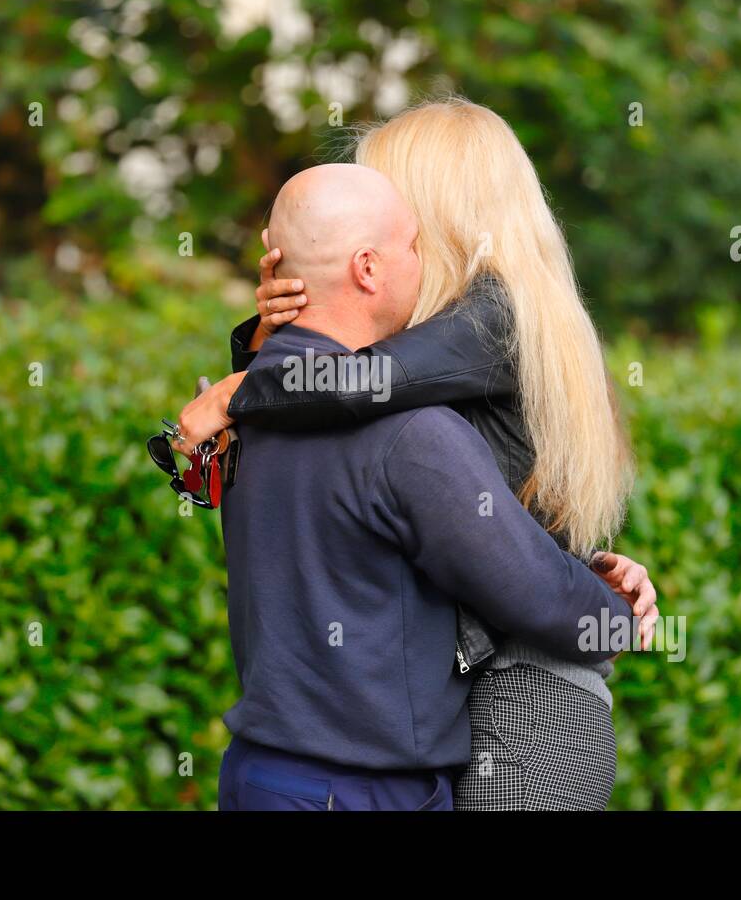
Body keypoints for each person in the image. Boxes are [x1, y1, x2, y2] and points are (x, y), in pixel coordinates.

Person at [180, 98, 659, 810]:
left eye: (395, 214)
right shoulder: (455, 339)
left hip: (524, 696)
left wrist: (237, 391)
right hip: (473, 690)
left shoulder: (491, 318)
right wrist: (277, 328)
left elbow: (353, 386)